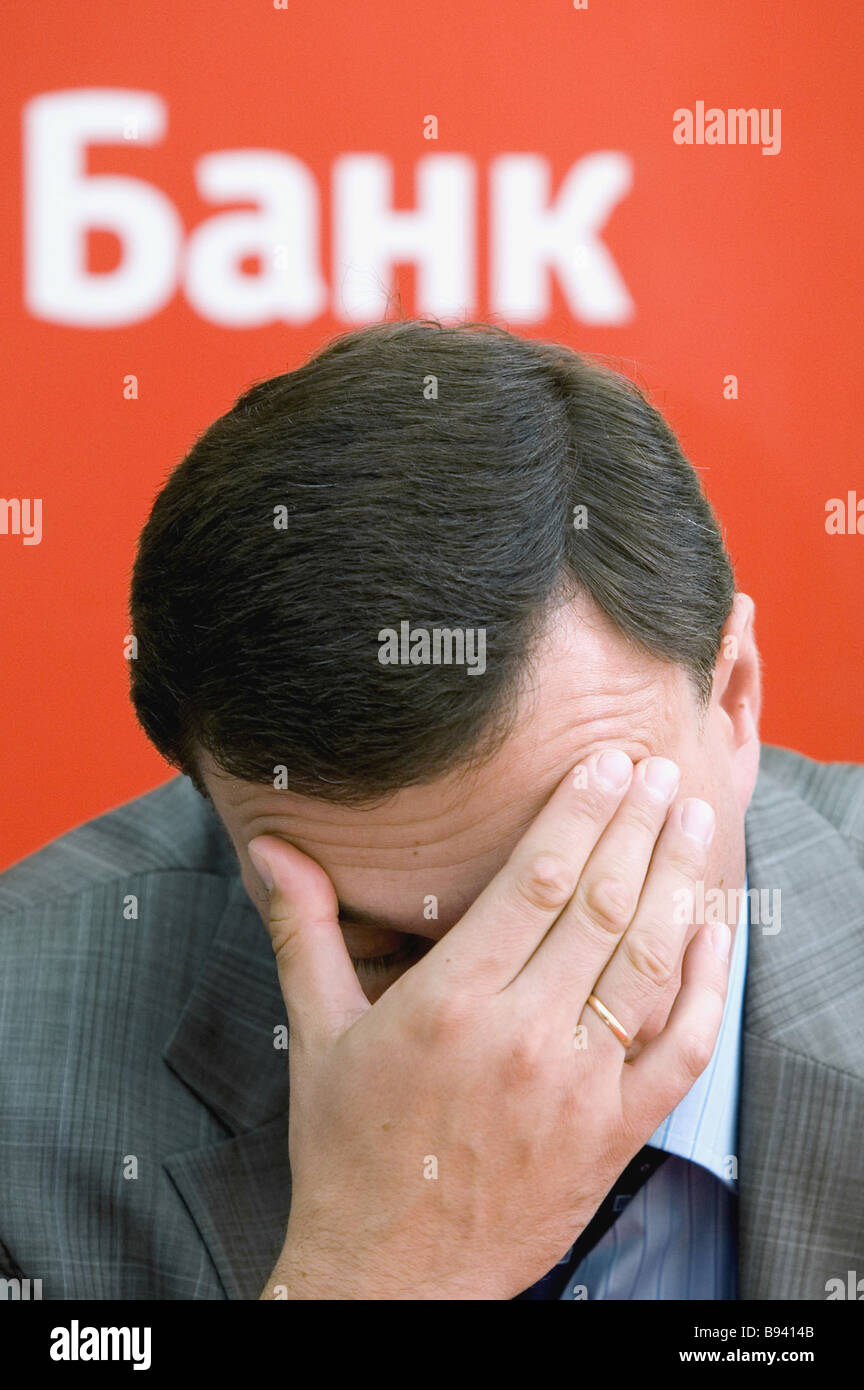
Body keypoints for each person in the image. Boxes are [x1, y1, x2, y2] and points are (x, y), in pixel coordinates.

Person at [1, 320, 861, 1300]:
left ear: (736, 696)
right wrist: (374, 1273)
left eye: (584, 885)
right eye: (382, 946)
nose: (492, 1039)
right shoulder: (19, 1078)